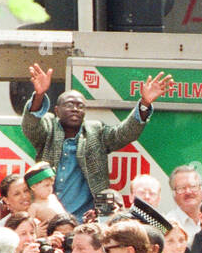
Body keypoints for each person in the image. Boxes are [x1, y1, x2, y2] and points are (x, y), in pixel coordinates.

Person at [22, 63, 171, 218]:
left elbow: (124, 134)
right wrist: (39, 95)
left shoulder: (95, 131)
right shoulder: (48, 129)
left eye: (80, 106)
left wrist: (145, 103)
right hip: (49, 217)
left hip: (87, 219)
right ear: (57, 110)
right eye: (69, 105)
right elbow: (30, 126)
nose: (75, 109)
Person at [24, 162, 61, 226]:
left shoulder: (53, 197)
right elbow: (29, 225)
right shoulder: (34, 207)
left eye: (51, 185)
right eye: (46, 185)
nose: (50, 189)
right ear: (33, 187)